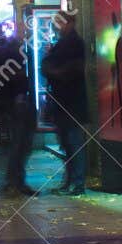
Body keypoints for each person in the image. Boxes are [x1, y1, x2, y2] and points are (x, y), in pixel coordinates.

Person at [41, 11, 89, 195]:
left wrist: (52, 71)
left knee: (73, 143)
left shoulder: (74, 44)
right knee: (68, 144)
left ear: (68, 23)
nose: (56, 26)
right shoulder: (64, 43)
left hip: (71, 101)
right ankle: (71, 181)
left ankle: (77, 184)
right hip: (65, 101)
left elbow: (67, 70)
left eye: (60, 22)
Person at [0, 41, 36, 196]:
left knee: (20, 146)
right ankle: (14, 181)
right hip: (18, 108)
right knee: (19, 145)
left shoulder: (9, 72)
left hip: (17, 107)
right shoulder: (15, 73)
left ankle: (15, 181)